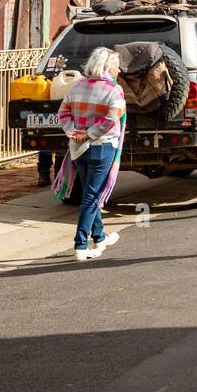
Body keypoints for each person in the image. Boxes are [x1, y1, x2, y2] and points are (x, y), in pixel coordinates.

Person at [56, 47, 126, 262]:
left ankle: (99, 236)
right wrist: (90, 134)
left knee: (89, 192)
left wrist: (74, 133)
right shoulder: (114, 90)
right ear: (106, 67)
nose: (119, 70)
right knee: (92, 197)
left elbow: (63, 113)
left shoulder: (77, 86)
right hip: (102, 147)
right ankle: (80, 244)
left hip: (78, 149)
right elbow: (112, 118)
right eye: (116, 66)